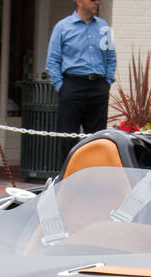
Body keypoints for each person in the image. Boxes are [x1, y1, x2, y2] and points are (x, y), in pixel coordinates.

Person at [47, 0, 117, 158]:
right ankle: (67, 179)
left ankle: (94, 177)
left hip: (98, 86)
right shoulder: (62, 27)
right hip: (72, 86)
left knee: (97, 139)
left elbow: (111, 57)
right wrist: (61, 87)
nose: (96, 2)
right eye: (92, 0)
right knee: (67, 137)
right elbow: (52, 60)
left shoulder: (103, 27)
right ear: (79, 2)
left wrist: (107, 82)